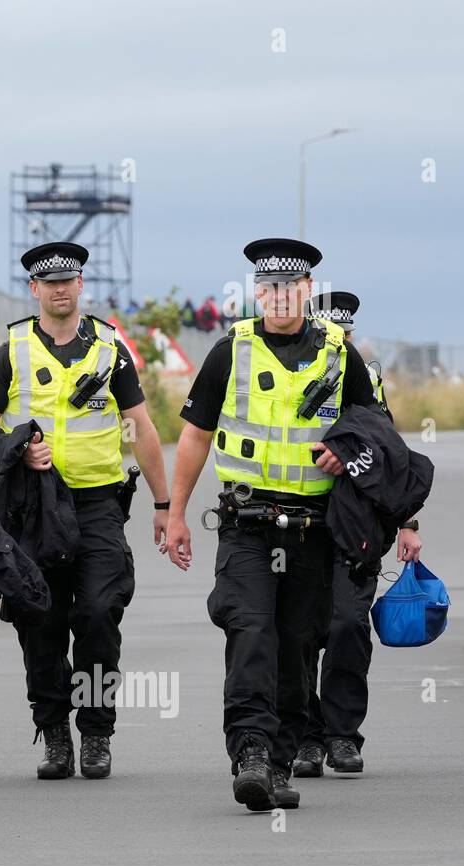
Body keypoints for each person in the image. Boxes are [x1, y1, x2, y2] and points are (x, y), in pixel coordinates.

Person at [165, 239, 382, 811]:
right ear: (256, 293)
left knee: (296, 646)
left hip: (314, 530)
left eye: (291, 288)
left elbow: (378, 437)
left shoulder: (341, 355)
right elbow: (195, 435)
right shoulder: (228, 350)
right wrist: (177, 511)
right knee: (251, 631)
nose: (280, 298)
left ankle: (280, 761)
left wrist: (347, 449)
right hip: (246, 525)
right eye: (269, 289)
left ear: (308, 291)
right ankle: (252, 753)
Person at [0, 242, 170, 780]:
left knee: (100, 613)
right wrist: (17, 449)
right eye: (48, 281)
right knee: (41, 621)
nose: (60, 288)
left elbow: (142, 427)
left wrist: (164, 503)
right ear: (33, 289)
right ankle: (55, 731)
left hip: (98, 504)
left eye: (69, 279)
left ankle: (97, 732)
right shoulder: (11, 350)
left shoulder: (110, 349)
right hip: (33, 510)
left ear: (81, 285)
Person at [292, 291, 423, 778]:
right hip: (295, 519)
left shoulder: (366, 379)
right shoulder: (287, 377)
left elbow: (392, 455)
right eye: (332, 334)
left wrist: (408, 522)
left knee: (348, 625)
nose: (340, 343)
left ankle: (342, 735)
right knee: (300, 631)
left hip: (357, 526)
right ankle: (306, 737)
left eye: (346, 335)